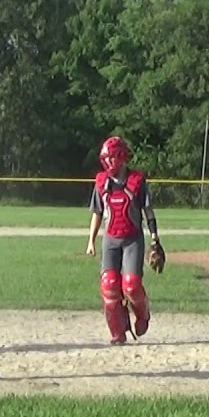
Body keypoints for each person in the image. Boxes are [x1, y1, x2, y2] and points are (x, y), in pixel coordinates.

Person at [86, 136, 160, 345]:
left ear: (121, 157)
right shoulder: (102, 182)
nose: (108, 162)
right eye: (106, 158)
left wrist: (155, 238)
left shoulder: (136, 180)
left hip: (132, 239)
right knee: (109, 285)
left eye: (111, 158)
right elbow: (97, 213)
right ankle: (118, 332)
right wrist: (91, 240)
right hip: (111, 239)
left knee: (131, 285)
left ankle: (142, 314)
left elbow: (148, 210)